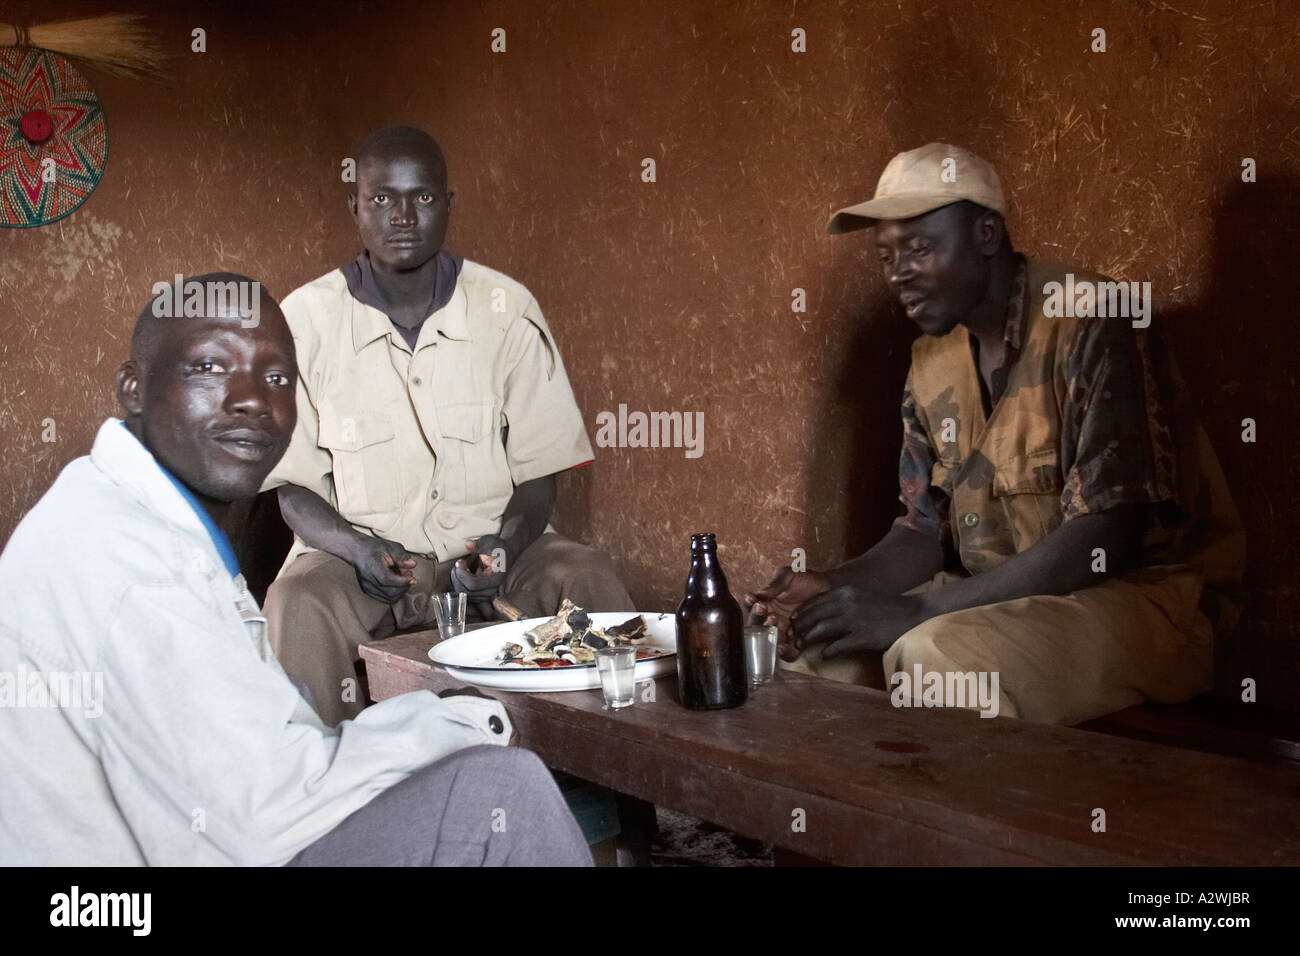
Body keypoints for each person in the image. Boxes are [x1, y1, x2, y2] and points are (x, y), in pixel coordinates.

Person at [0, 274, 592, 866]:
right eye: (209, 367)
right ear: (133, 387)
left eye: (277, 377)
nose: (253, 399)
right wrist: (457, 717)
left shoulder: (121, 510)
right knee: (503, 794)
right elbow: (262, 818)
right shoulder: (128, 566)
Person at [748, 143, 1245, 726]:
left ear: (986, 235)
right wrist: (831, 587)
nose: (898, 272)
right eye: (886, 256)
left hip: (1147, 601)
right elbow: (923, 529)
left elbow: (1103, 539)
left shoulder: (1092, 318)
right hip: (994, 600)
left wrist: (916, 611)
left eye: (920, 248)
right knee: (811, 655)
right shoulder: (931, 359)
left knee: (935, 657)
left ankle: (971, 821)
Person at [261, 126, 633, 726]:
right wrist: (356, 549)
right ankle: (319, 796)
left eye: (423, 198)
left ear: (448, 206)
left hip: (488, 561)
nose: (402, 216)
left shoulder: (506, 309)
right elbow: (292, 488)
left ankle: (629, 788)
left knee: (585, 575)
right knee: (296, 601)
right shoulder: (305, 320)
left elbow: (539, 474)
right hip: (362, 564)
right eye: (382, 199)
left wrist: (506, 548)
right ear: (353, 206)